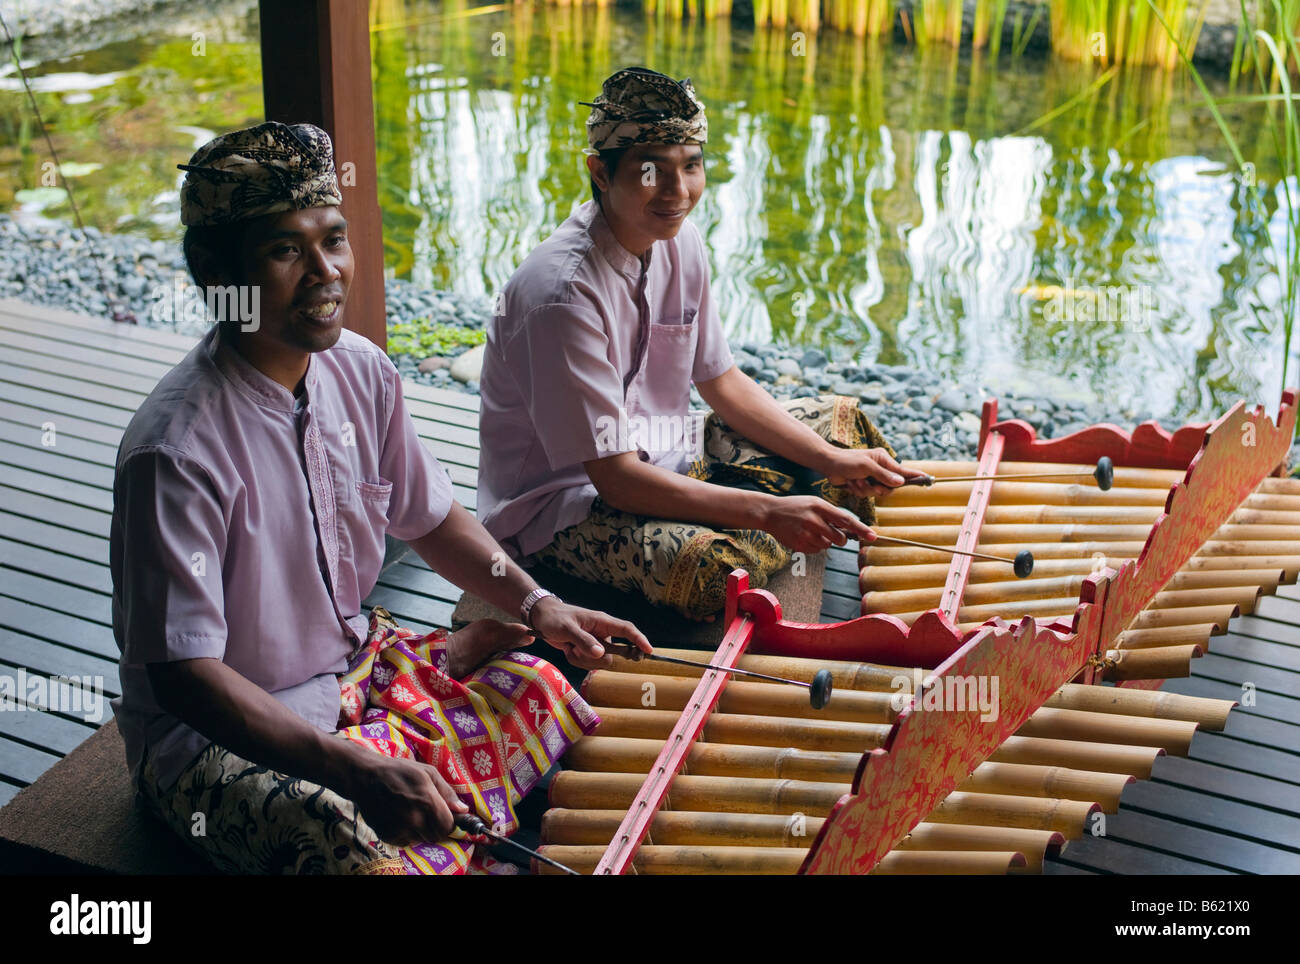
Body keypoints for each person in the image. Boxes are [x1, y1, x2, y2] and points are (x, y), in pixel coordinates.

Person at [109, 121, 650, 875]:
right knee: (351, 842)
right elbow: (183, 676)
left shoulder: (360, 372)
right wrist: (353, 769)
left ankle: (428, 702)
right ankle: (409, 754)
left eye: (333, 239)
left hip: (353, 668)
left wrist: (538, 605)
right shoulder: (174, 453)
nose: (325, 272)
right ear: (215, 271)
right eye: (284, 250)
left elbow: (429, 516)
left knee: (539, 685)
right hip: (214, 744)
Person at [478, 67, 925, 620]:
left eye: (692, 166)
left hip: (673, 453)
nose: (678, 191)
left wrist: (832, 460)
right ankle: (784, 512)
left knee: (840, 428)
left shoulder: (680, 240)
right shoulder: (561, 296)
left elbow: (721, 382)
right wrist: (766, 512)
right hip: (567, 508)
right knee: (708, 570)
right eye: (652, 171)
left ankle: (796, 501)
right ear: (599, 171)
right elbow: (615, 481)